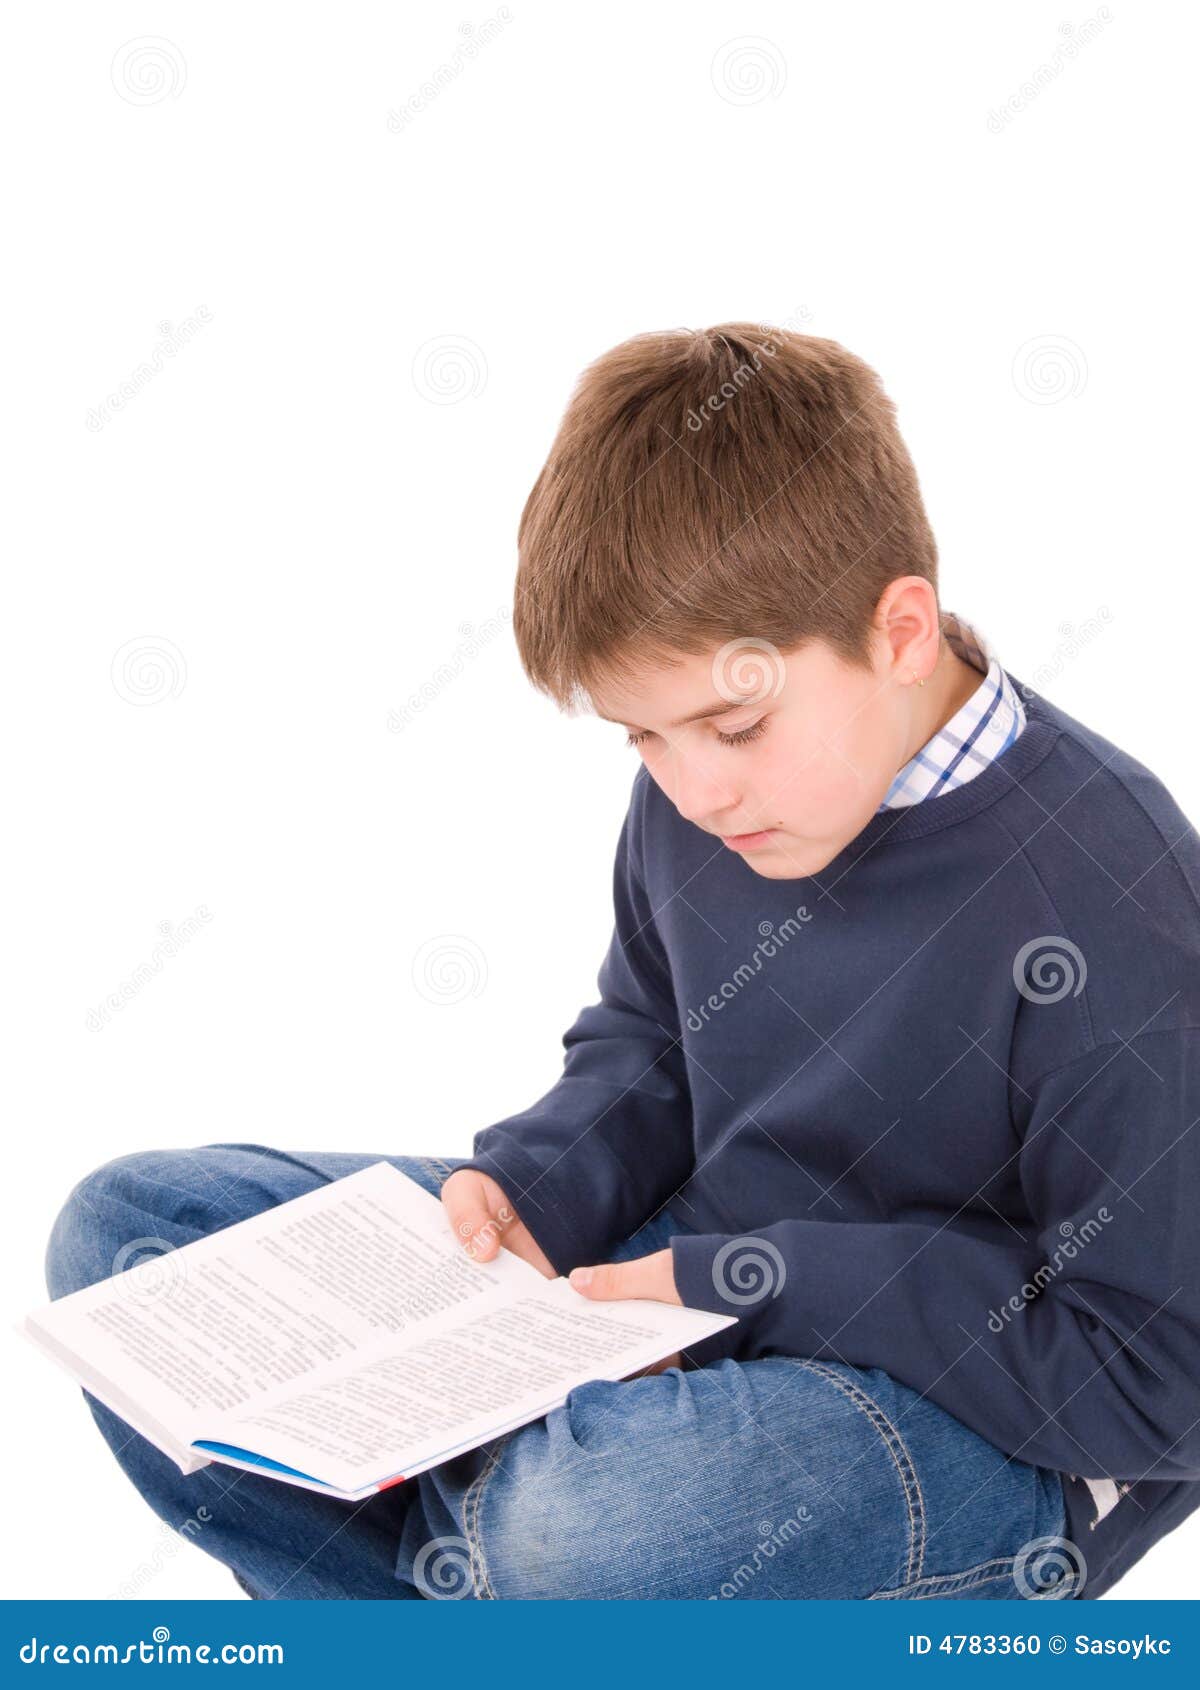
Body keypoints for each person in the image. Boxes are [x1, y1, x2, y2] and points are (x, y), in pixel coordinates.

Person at [45, 325, 1200, 1600]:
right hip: (692, 1280)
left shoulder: (1113, 900)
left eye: (733, 723)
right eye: (640, 736)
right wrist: (541, 1185)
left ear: (904, 631)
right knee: (133, 1247)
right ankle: (459, 1599)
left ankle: (484, 1548)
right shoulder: (718, 790)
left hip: (992, 1411)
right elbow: (650, 1043)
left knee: (587, 1525)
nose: (693, 787)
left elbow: (1156, 1377)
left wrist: (760, 1283)